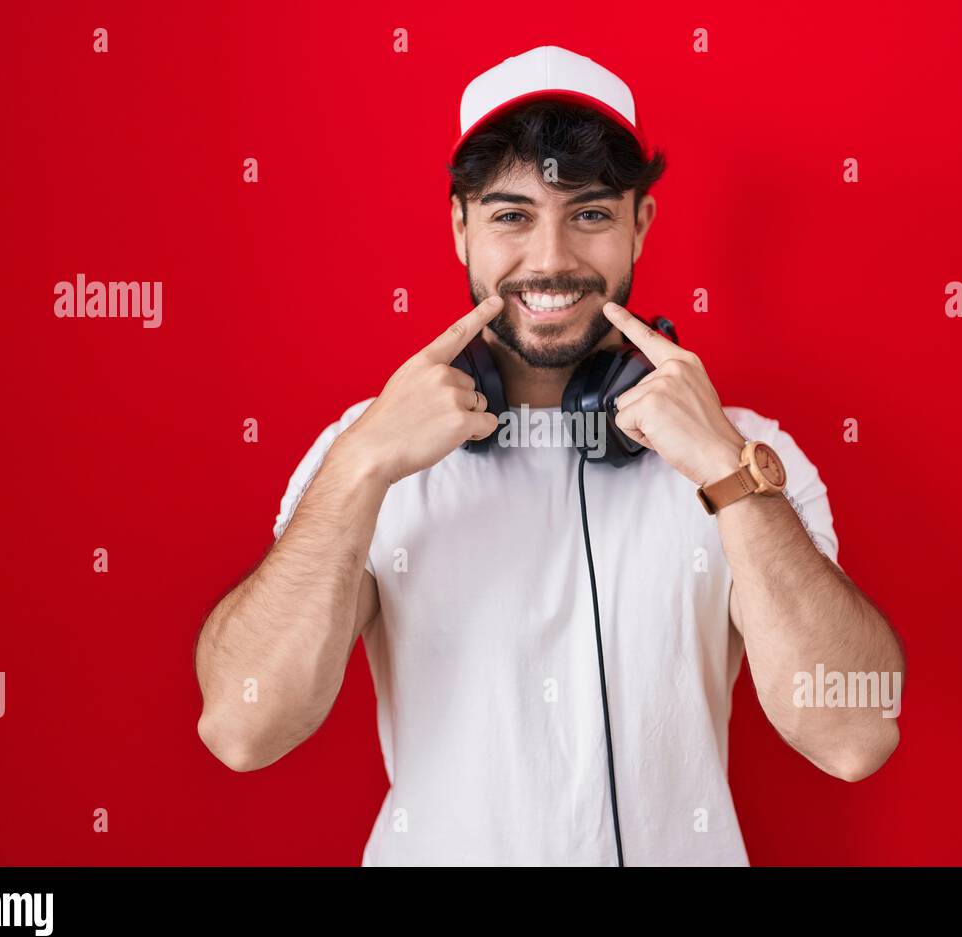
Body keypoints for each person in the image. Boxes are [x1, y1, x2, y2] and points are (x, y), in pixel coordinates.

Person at [195, 45, 904, 866]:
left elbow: (853, 738)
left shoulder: (746, 455)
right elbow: (242, 731)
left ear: (640, 222)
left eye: (591, 214)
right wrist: (359, 467)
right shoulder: (366, 454)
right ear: (459, 226)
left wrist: (727, 474)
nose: (552, 259)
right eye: (511, 215)